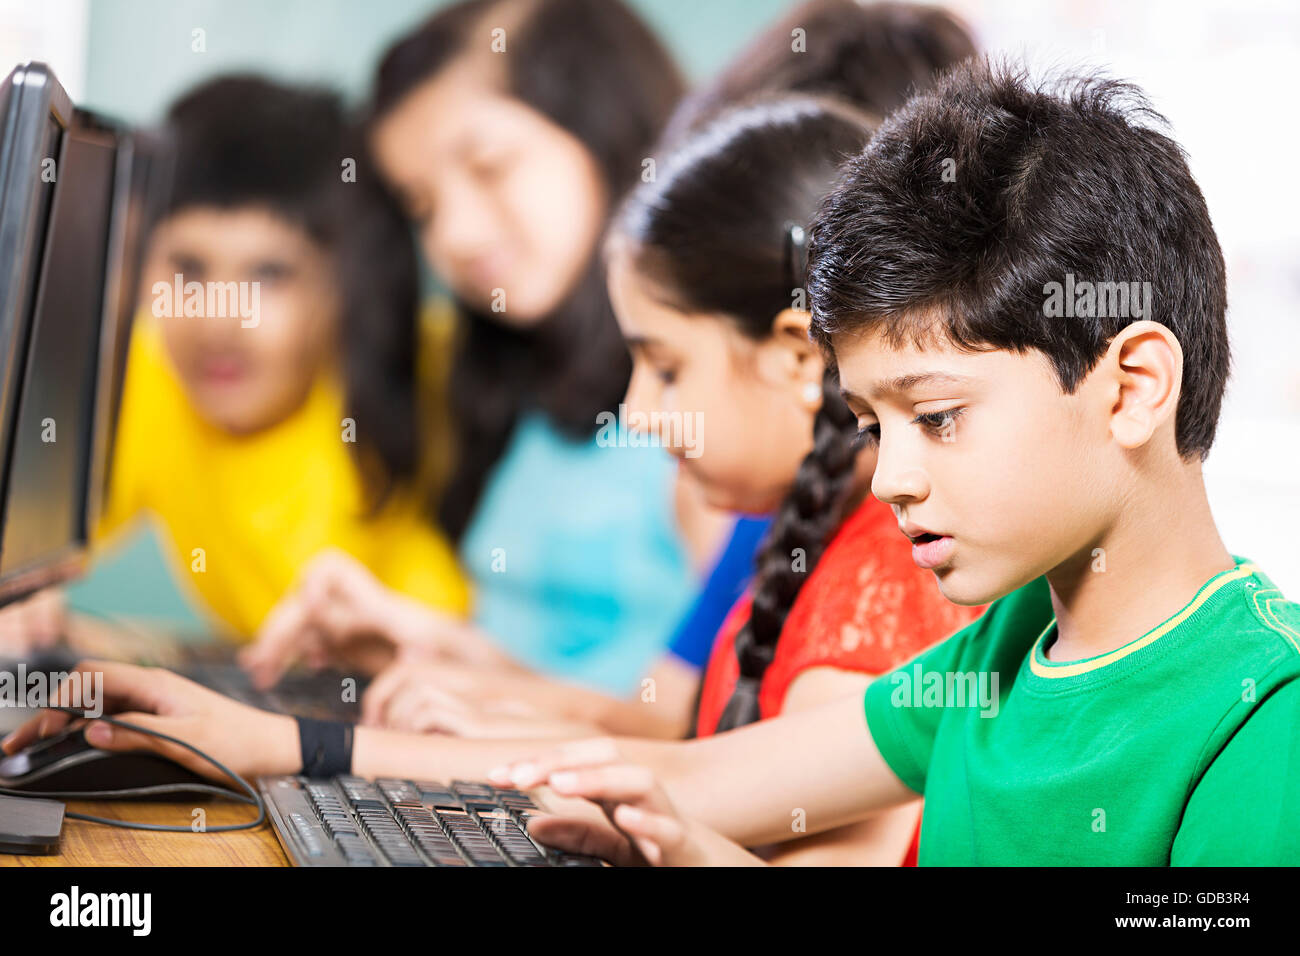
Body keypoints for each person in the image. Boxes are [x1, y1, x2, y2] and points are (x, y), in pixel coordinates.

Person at [4, 94, 983, 866]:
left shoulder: (886, 587)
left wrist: (299, 742)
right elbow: (671, 752)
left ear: (791, 356)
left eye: (664, 364)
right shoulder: (784, 529)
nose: (638, 413)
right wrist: (305, 739)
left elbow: (687, 776)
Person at [483, 60, 1300, 866]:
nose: (888, 479)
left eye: (939, 417)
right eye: (873, 423)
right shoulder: (1005, 646)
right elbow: (701, 778)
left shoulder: (1267, 717)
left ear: (1131, 388)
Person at [239, 0, 717, 697]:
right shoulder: (518, 382)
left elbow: (711, 731)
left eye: (489, 166)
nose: (454, 236)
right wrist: (421, 647)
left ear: (608, 129)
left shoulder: (720, 398)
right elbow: (546, 673)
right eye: (422, 205)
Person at [0, 76, 469, 655]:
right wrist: (30, 608)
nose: (218, 320)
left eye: (269, 274)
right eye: (188, 268)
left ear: (346, 284)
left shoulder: (436, 368)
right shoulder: (146, 380)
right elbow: (25, 537)